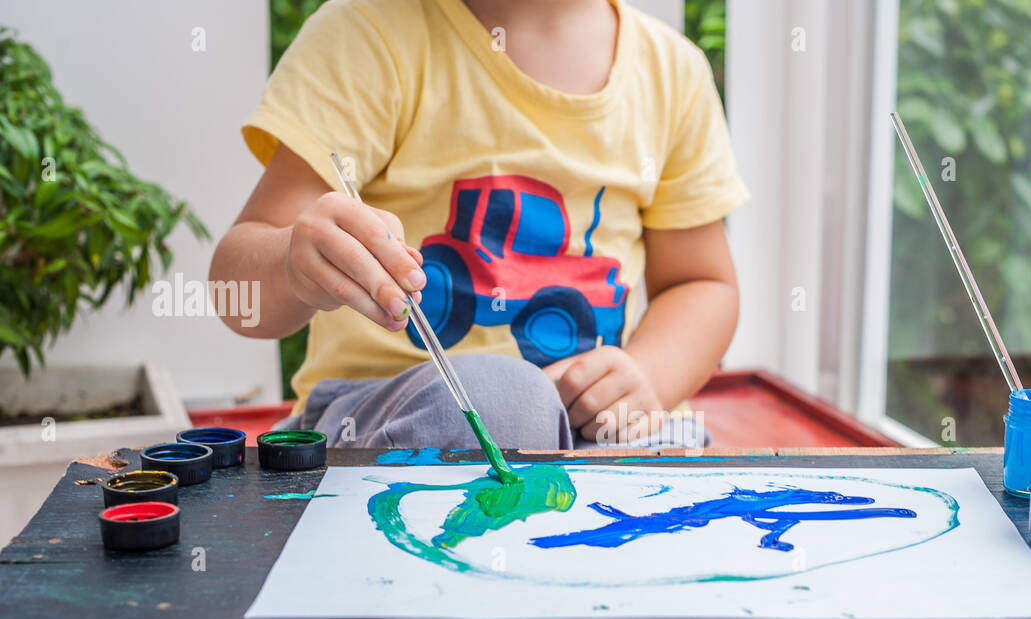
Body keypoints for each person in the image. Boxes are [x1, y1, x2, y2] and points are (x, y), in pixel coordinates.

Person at [210, 0, 748, 450]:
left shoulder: (672, 72)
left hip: (596, 431)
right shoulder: (368, 35)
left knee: (679, 464)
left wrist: (648, 373)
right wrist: (293, 266)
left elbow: (700, 284)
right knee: (504, 401)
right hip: (386, 422)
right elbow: (237, 285)